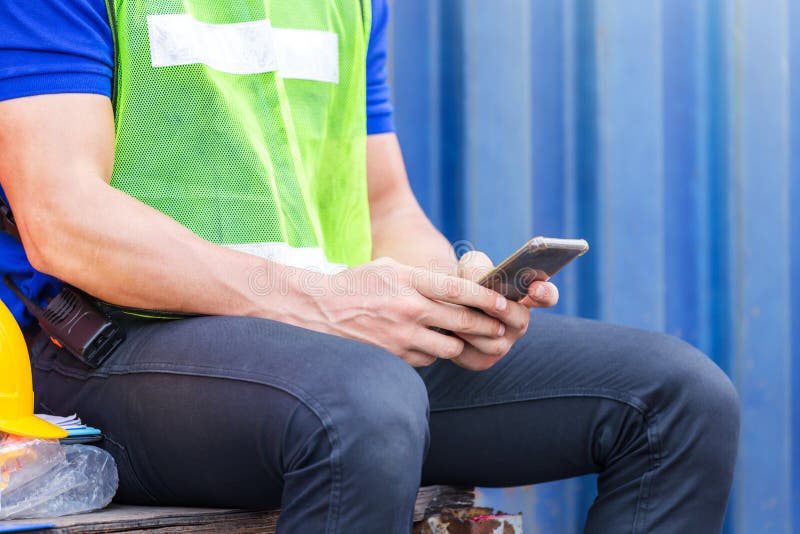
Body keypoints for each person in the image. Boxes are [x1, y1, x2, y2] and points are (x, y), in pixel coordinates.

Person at [0, 1, 739, 532]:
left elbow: (385, 207)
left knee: (676, 398)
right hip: (101, 350)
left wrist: (455, 291)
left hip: (316, 348)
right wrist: (321, 302)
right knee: (358, 404)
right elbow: (64, 218)